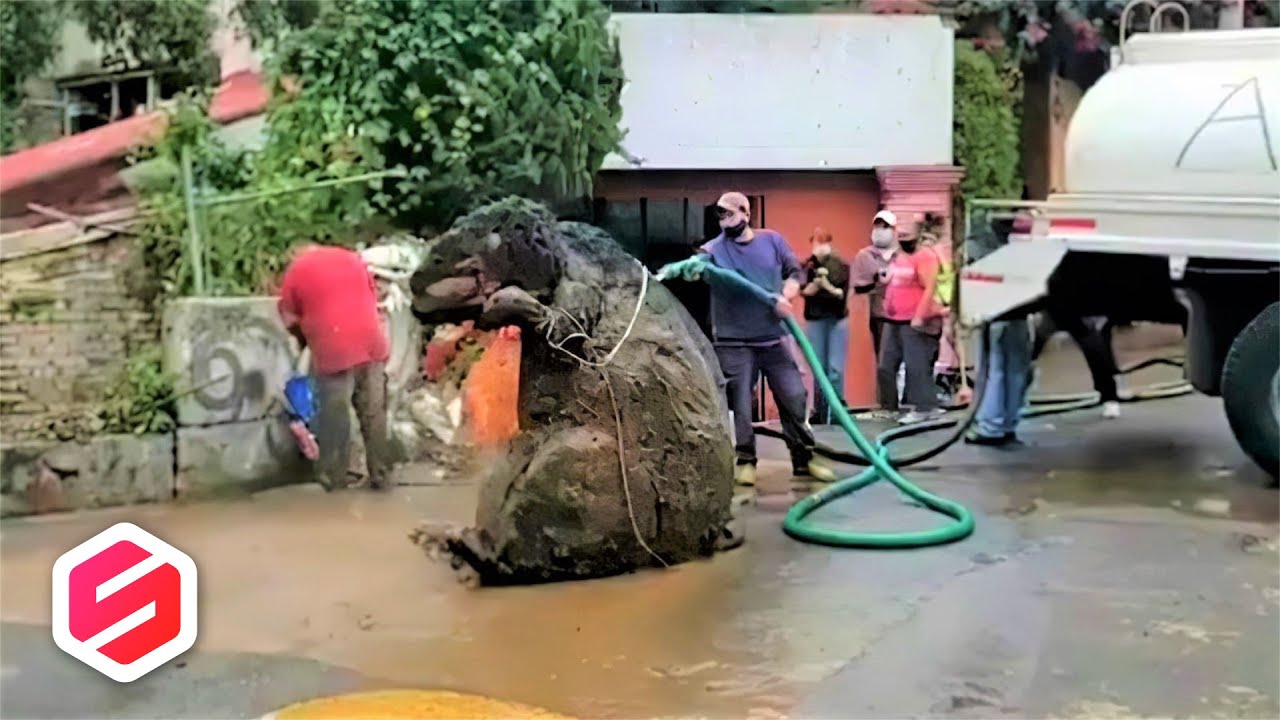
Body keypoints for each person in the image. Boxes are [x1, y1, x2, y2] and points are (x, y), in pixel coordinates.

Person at [699, 192, 836, 487]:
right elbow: (701, 270)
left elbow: (795, 272)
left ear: (746, 214)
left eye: (729, 214)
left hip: (774, 337)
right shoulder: (713, 250)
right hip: (734, 341)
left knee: (794, 395)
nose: (724, 220)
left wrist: (787, 295)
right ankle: (746, 460)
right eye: (720, 215)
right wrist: (692, 268)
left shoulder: (772, 241)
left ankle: (804, 459)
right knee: (742, 403)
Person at [278, 244, 391, 490]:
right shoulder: (352, 259)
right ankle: (381, 476)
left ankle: (336, 480)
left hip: (334, 347)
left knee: (335, 416)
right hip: (372, 342)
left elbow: (289, 317)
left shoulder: (296, 270)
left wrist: (303, 341)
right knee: (374, 412)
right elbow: (372, 298)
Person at [877, 222, 945, 424]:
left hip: (914, 319)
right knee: (885, 366)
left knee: (916, 364)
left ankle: (925, 407)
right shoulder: (899, 255)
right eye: (901, 235)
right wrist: (887, 304)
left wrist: (920, 315)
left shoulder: (925, 256)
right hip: (894, 318)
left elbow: (930, 287)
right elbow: (894, 283)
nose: (904, 239)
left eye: (908, 236)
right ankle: (889, 407)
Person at [802, 226, 850, 424]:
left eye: (822, 242)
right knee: (818, 368)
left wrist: (826, 284)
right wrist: (816, 284)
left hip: (837, 320)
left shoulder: (840, 264)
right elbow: (804, 290)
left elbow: (839, 293)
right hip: (815, 320)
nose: (818, 247)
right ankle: (819, 413)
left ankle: (838, 412)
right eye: (815, 242)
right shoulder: (807, 265)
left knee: (835, 370)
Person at [850, 209, 898, 367]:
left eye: (885, 227)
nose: (880, 231)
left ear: (894, 230)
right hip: (880, 316)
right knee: (884, 362)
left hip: (906, 317)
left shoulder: (904, 255)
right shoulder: (865, 256)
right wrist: (877, 281)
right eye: (877, 227)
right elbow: (858, 286)